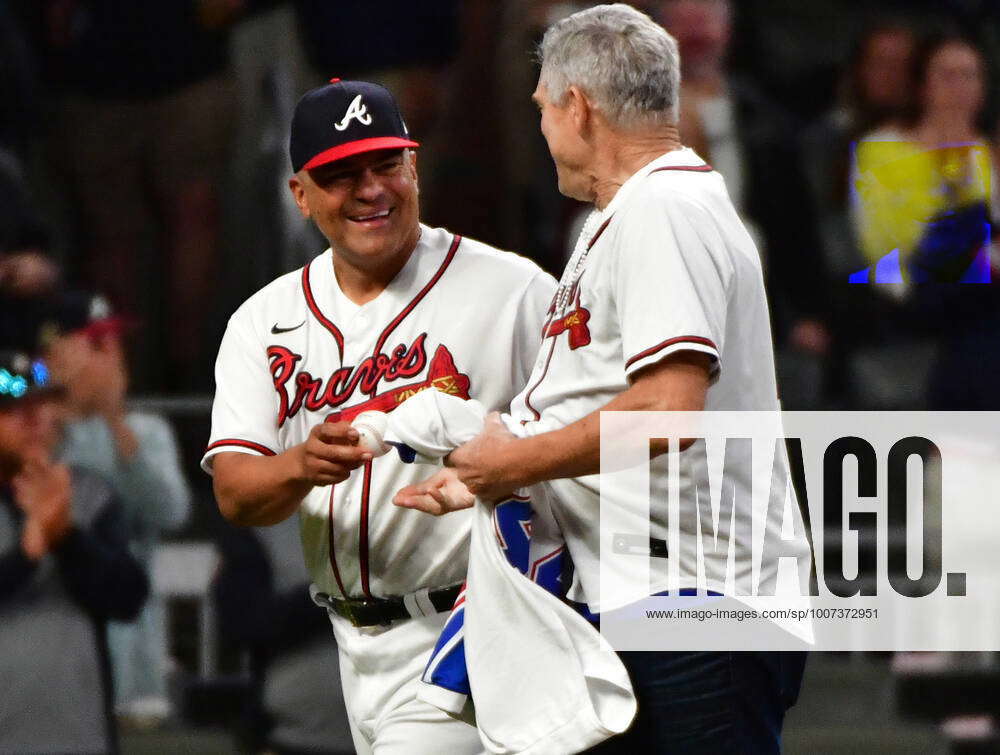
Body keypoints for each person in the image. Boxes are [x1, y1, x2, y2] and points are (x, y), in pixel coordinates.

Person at [429, 5, 809, 751]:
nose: (541, 130)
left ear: (578, 105)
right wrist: (486, 475)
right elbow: (600, 396)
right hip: (644, 593)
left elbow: (668, 409)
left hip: (695, 599)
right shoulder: (628, 213)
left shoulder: (664, 208)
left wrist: (514, 459)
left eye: (542, 108)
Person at [202, 79, 556, 753]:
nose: (371, 190)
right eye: (341, 175)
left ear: (414, 166)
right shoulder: (262, 323)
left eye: (385, 164)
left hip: (472, 621)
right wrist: (302, 463)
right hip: (345, 641)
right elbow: (235, 492)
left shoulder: (515, 292)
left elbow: (598, 437)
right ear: (301, 195)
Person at [37, 290, 191, 725]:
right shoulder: (32, 431)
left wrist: (115, 420)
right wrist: (55, 406)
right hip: (49, 656)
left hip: (134, 659)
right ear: (56, 353)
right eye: (97, 344)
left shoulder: (146, 431)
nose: (112, 355)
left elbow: (171, 512)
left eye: (115, 343)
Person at [0, 349, 148, 753]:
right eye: (12, 408)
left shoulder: (90, 495)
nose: (32, 418)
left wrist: (66, 536)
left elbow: (128, 598)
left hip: (76, 736)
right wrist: (26, 556)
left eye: (41, 403)